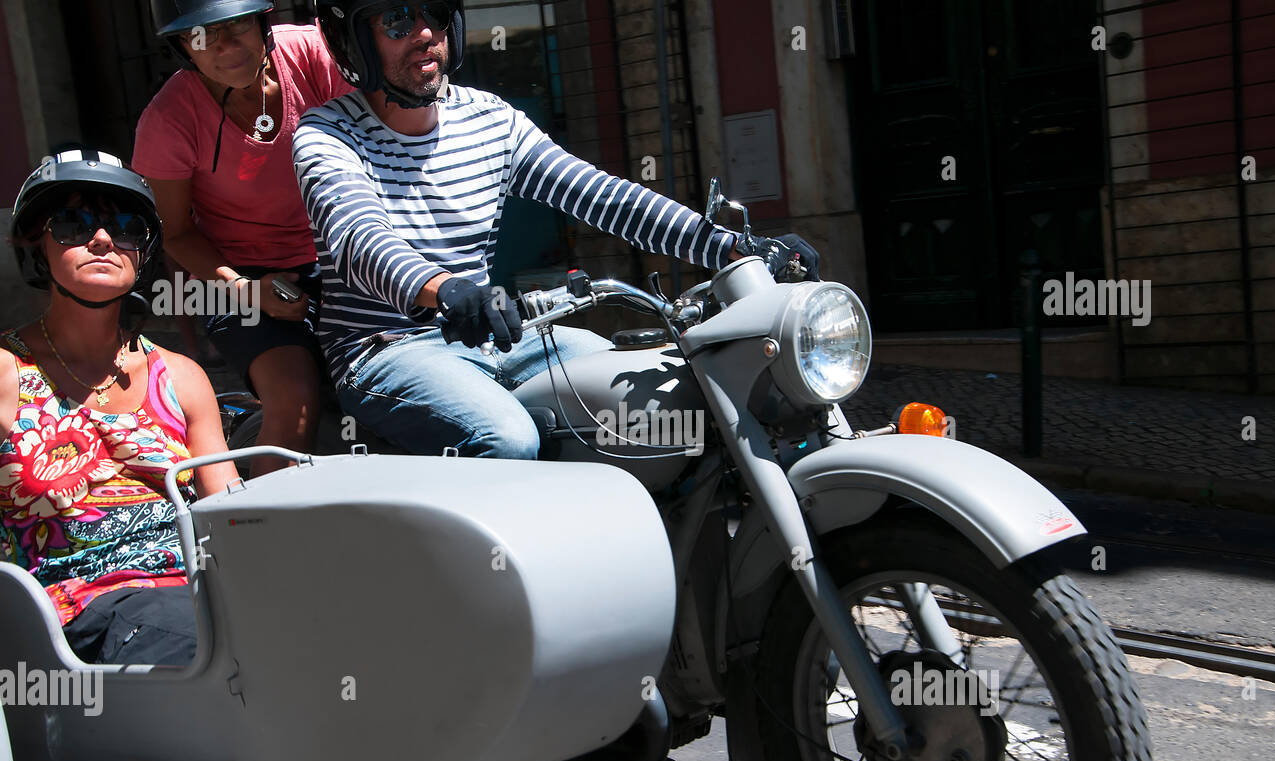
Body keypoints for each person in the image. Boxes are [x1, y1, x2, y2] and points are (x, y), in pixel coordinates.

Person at [294, 0, 819, 458]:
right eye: (397, 20)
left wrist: (732, 248)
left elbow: (603, 197)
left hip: (487, 339)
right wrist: (446, 290)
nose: (426, 32)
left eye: (434, 11)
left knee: (652, 398)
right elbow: (357, 240)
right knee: (507, 438)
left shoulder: (491, 121)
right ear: (353, 40)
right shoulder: (327, 135)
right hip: (385, 349)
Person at [0, 150, 238, 667]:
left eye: (127, 228)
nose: (104, 239)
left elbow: (232, 518)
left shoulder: (180, 375)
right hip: (79, 613)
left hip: (205, 594)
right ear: (36, 248)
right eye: (71, 224)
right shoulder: (6, 371)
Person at [133, 0, 353, 476]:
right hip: (237, 272)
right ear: (179, 47)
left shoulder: (313, 55)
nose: (224, 46)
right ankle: (260, 533)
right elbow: (175, 233)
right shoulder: (168, 120)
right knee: (294, 395)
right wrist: (246, 291)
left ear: (263, 24)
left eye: (236, 26)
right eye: (200, 35)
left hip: (345, 253)